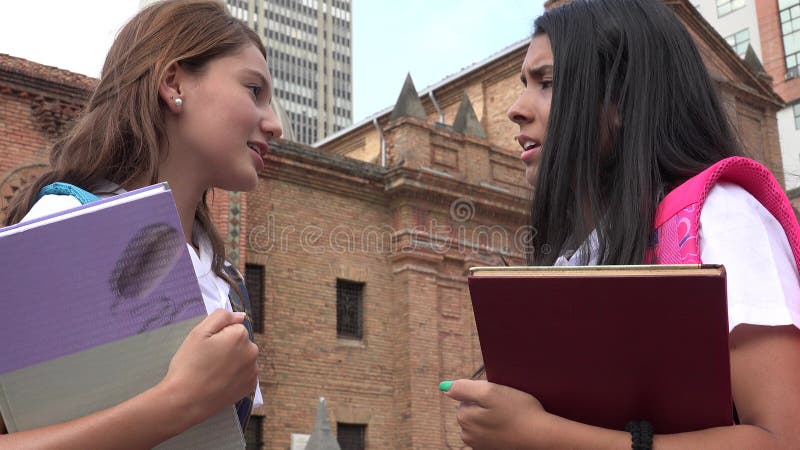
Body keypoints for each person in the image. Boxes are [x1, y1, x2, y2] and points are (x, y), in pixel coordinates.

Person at [440, 0, 800, 448]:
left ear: (624, 98)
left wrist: (539, 434)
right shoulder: (579, 251)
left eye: (547, 83)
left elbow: (783, 439)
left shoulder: (723, 218)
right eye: (522, 84)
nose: (516, 109)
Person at [0, 0, 281, 447]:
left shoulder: (222, 277)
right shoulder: (61, 230)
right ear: (173, 83)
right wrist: (179, 401)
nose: (276, 124)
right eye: (254, 91)